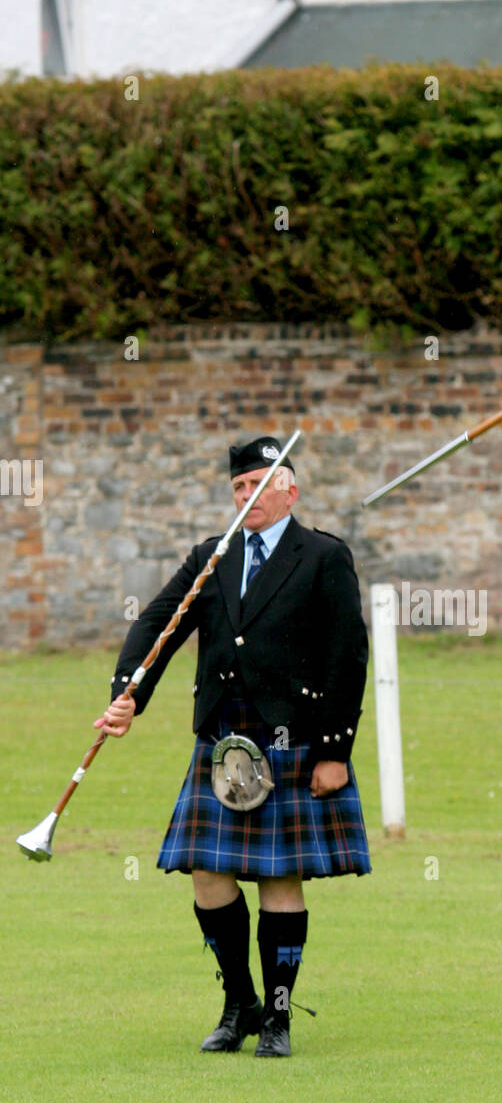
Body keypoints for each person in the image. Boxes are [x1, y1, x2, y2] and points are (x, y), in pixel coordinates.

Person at [96, 436, 370, 1058]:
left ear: (289, 490)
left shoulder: (324, 556)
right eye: (238, 489)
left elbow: (346, 656)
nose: (247, 497)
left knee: (280, 879)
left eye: (258, 485)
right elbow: (158, 622)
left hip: (293, 738)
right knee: (207, 875)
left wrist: (333, 751)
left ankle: (277, 1019)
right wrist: (129, 693)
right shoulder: (212, 556)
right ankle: (238, 1003)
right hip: (222, 737)